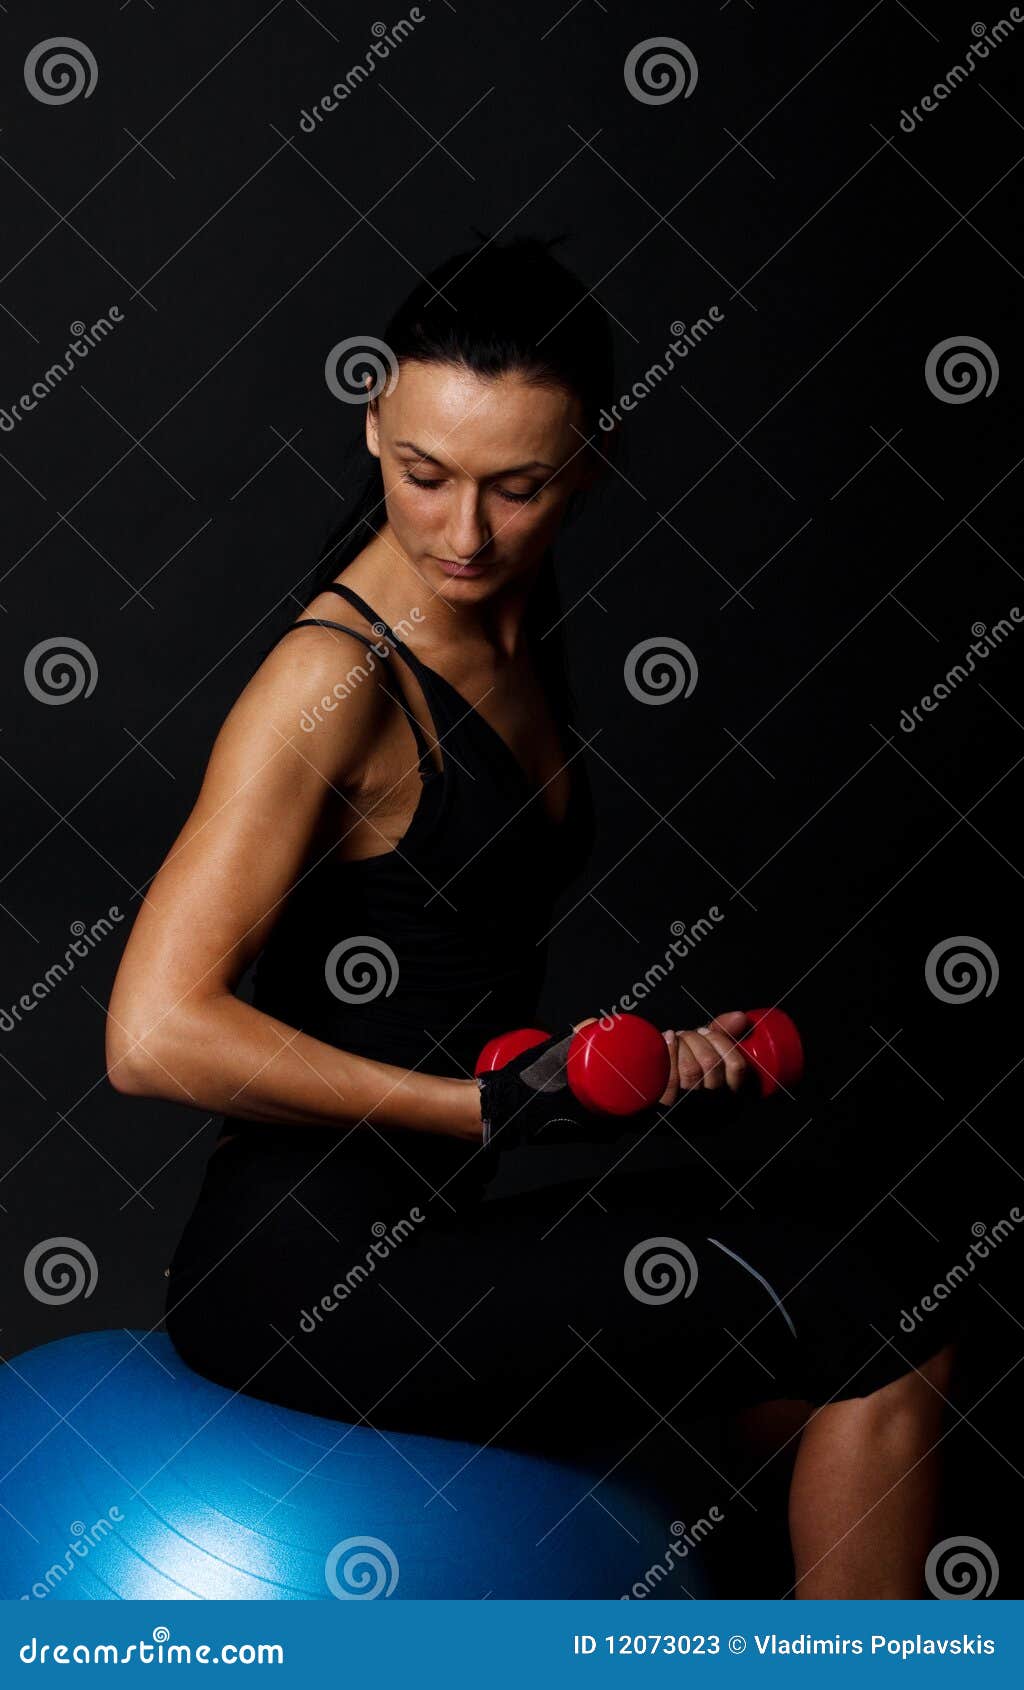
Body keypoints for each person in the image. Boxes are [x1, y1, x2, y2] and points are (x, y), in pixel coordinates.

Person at [106, 236, 963, 1598]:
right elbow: (151, 1033)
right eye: (423, 474)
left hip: (436, 1225)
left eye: (518, 486)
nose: (463, 533)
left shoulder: (509, 608)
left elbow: (440, 964)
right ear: (373, 425)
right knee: (886, 1325)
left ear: (592, 461)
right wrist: (487, 1108)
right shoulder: (330, 683)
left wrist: (633, 1070)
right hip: (308, 1281)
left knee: (834, 1227)